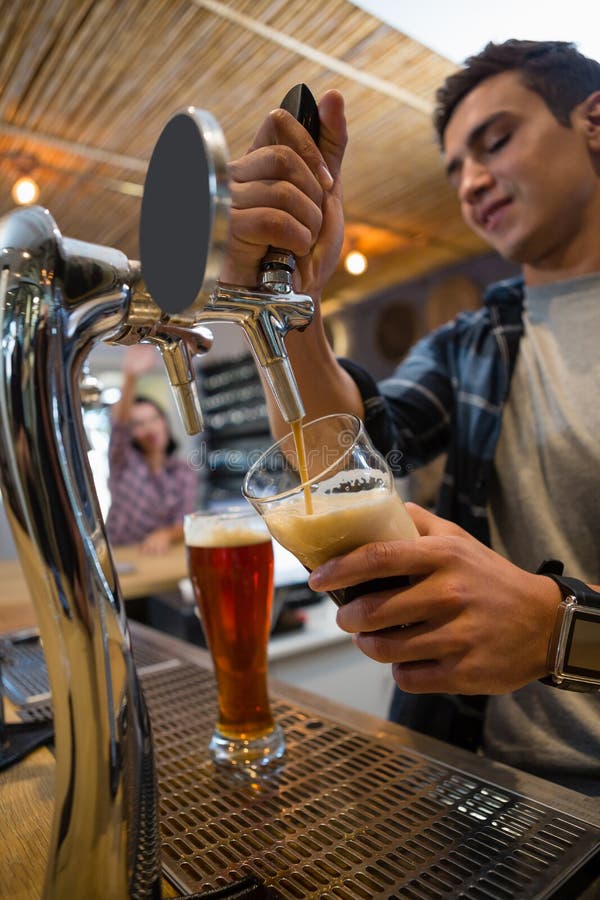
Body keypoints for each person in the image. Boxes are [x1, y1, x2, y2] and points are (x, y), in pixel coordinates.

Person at [221, 40, 600, 796]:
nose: (472, 182)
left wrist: (561, 635)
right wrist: (288, 299)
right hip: (481, 790)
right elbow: (345, 464)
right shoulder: (472, 346)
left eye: (495, 142)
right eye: (456, 166)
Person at [105, 344, 198, 554]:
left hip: (162, 555)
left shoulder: (183, 471)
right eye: (139, 424)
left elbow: (186, 520)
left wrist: (166, 534)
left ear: (164, 423)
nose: (149, 429)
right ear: (131, 433)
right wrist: (130, 377)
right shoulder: (123, 461)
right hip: (121, 555)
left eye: (154, 419)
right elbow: (119, 424)